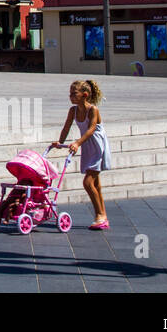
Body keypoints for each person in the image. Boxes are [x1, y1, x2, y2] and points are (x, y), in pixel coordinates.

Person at [55, 80, 112, 230]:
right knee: (96, 184)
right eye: (70, 93)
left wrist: (77, 143)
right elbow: (66, 127)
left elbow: (91, 129)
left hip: (97, 146)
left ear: (84, 95)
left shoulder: (93, 110)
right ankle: (103, 216)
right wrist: (60, 142)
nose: (71, 96)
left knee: (88, 182)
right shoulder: (73, 111)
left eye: (74, 93)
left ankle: (100, 215)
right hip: (86, 145)